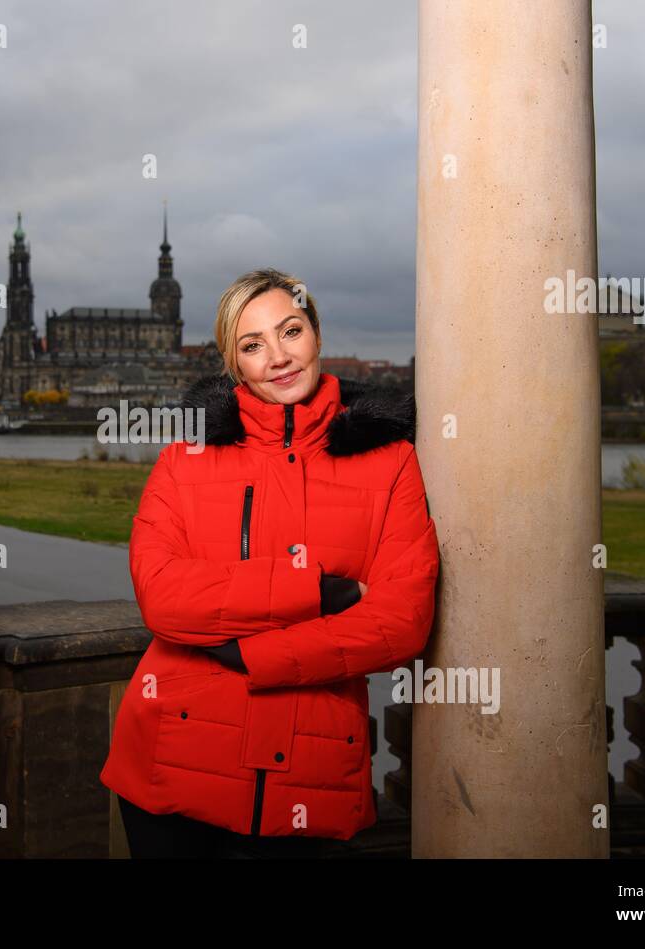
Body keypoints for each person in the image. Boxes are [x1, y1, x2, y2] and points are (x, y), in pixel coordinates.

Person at [99, 267, 440, 858]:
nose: (278, 358)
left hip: (312, 772)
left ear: (316, 334)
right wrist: (319, 593)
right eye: (252, 345)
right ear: (233, 362)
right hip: (173, 765)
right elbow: (163, 597)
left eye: (291, 331)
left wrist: (249, 653)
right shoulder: (186, 457)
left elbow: (402, 622)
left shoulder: (392, 463)